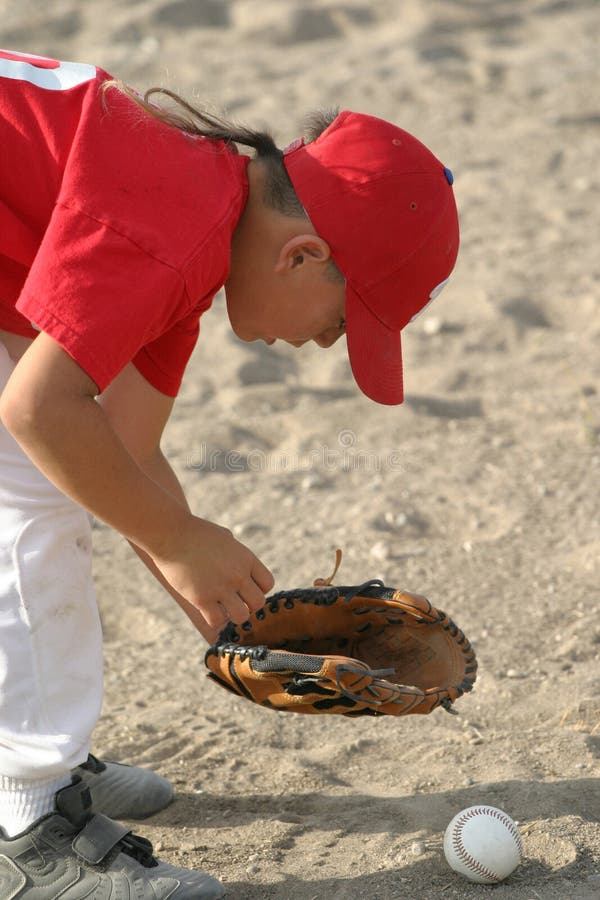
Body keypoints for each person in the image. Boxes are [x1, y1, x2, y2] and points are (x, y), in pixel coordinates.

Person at [0, 48, 459, 898]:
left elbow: (122, 456)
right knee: (31, 491)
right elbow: (39, 417)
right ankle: (26, 821)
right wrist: (179, 539)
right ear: (300, 256)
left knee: (53, 481)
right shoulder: (173, 236)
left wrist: (232, 620)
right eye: (341, 324)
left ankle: (30, 760)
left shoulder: (200, 230)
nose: (326, 345)